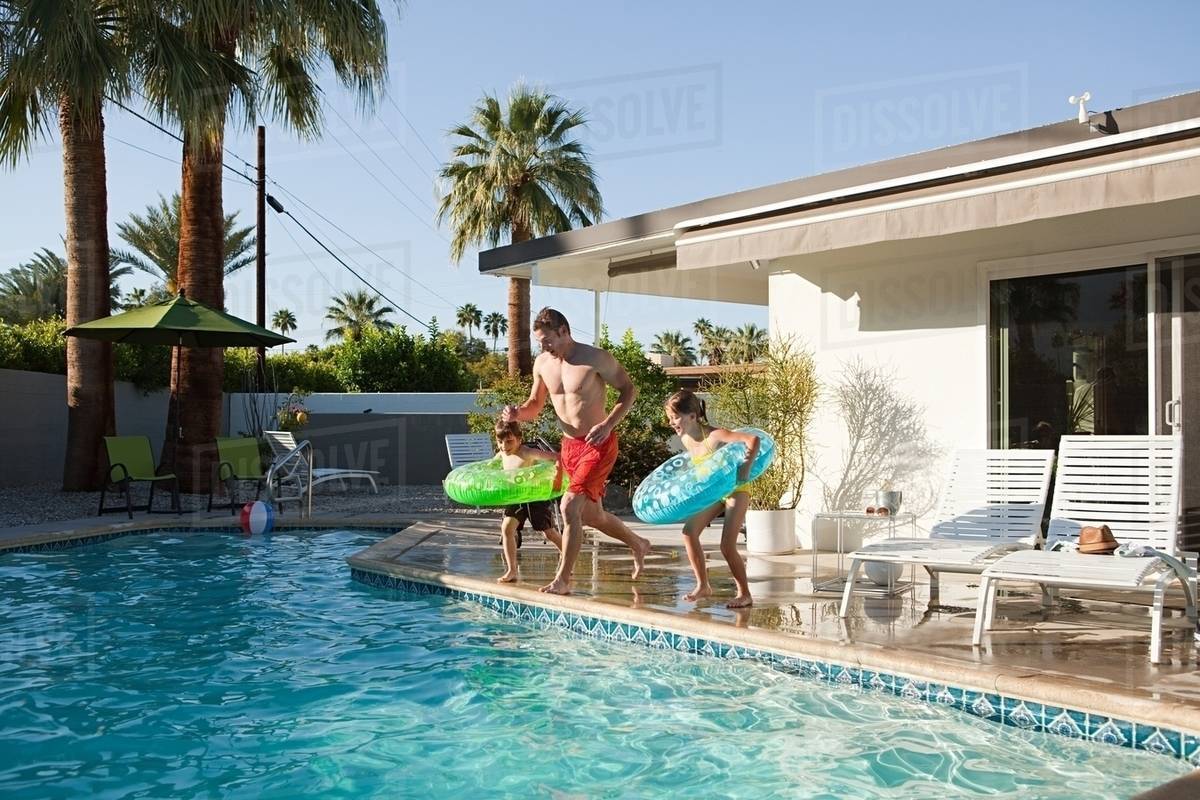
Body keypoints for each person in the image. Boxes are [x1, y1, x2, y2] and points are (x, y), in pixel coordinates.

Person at [502, 307, 652, 595]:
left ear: (563, 332)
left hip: (598, 443)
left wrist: (609, 424)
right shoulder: (543, 363)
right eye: (539, 342)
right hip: (569, 446)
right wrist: (516, 414)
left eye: (547, 340)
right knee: (592, 516)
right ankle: (638, 544)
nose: (543, 347)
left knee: (569, 506)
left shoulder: (595, 358)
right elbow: (534, 406)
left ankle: (563, 580)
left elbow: (628, 390)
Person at [665, 389, 758, 608]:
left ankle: (744, 594)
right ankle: (703, 586)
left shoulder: (715, 436)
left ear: (692, 416)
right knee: (689, 532)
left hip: (736, 489)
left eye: (675, 417)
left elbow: (752, 439)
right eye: (669, 418)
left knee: (727, 545)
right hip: (715, 492)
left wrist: (746, 466)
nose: (671, 422)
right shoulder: (687, 438)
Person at [493, 419, 563, 583]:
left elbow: (556, 458)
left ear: (519, 438)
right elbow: (489, 467)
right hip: (515, 497)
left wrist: (556, 479)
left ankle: (567, 557)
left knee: (548, 532)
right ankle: (511, 570)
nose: (504, 446)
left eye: (509, 441)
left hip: (534, 498)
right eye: (500, 441)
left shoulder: (528, 453)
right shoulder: (502, 454)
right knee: (507, 529)